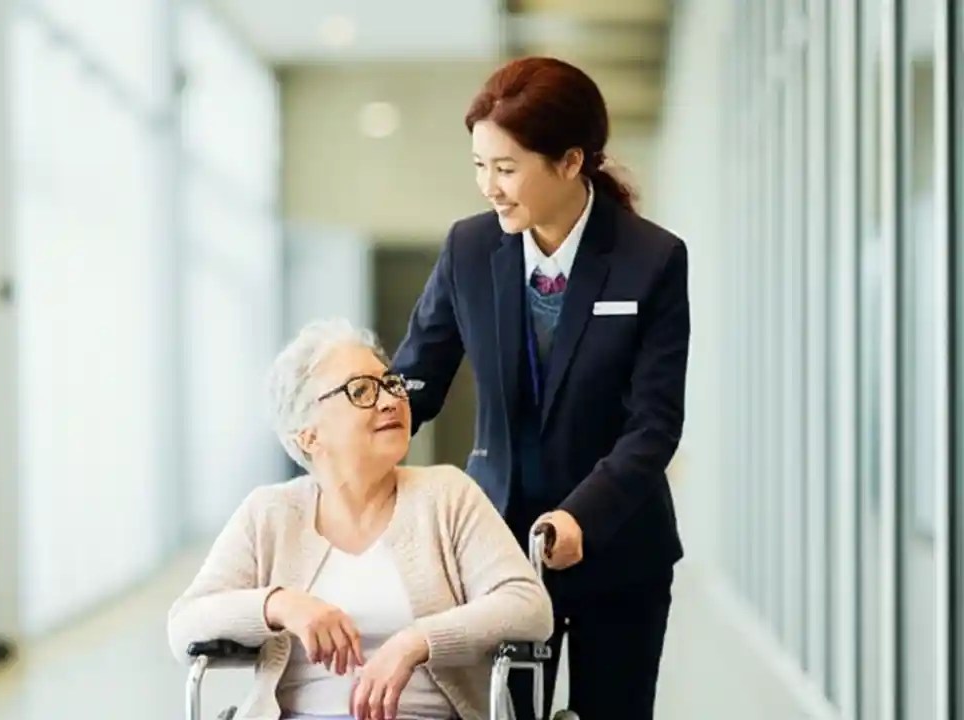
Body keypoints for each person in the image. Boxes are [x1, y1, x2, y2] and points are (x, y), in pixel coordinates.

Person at [390, 56, 690, 720]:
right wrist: (358, 434)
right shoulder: (470, 250)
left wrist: (583, 515)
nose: (488, 188)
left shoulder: (652, 259)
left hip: (620, 547)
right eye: (478, 166)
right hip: (498, 555)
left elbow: (654, 423)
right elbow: (417, 377)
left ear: (570, 161)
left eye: (505, 168)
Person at [168, 319, 553, 720]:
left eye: (390, 384)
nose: (390, 401)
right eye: (361, 391)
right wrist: (281, 605)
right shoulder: (270, 513)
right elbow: (184, 626)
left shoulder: (446, 495)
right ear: (309, 436)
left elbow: (528, 606)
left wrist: (418, 640)